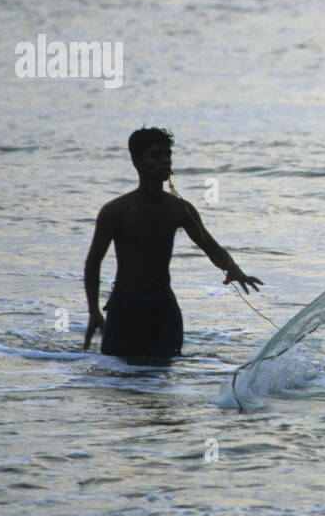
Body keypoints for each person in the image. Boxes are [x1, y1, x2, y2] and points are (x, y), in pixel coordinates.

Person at [83, 126, 262, 359]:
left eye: (168, 155)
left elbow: (211, 248)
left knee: (162, 378)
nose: (165, 161)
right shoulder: (115, 211)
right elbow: (93, 262)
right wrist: (94, 311)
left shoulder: (180, 209)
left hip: (163, 306)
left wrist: (233, 268)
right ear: (137, 162)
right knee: (120, 381)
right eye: (156, 155)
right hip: (126, 305)